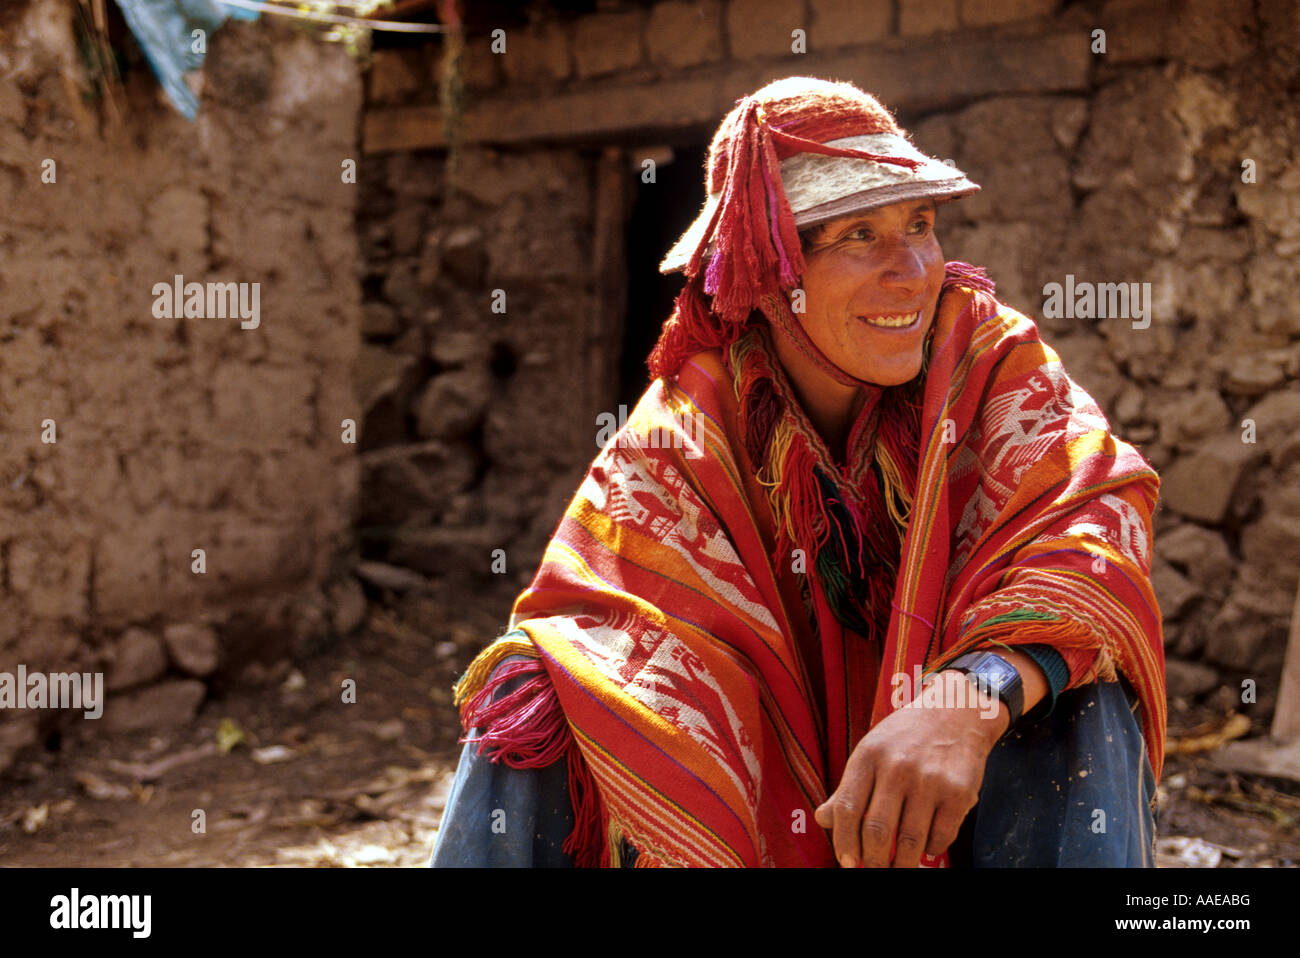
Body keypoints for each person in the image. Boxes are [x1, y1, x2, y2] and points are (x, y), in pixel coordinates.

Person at [429, 76, 1165, 868]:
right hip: (772, 809)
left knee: (1073, 692)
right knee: (541, 689)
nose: (915, 270)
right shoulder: (688, 426)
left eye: (920, 223)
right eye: (859, 235)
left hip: (954, 793)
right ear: (770, 273)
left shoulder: (987, 360)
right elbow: (599, 619)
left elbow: (1089, 523)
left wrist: (967, 698)